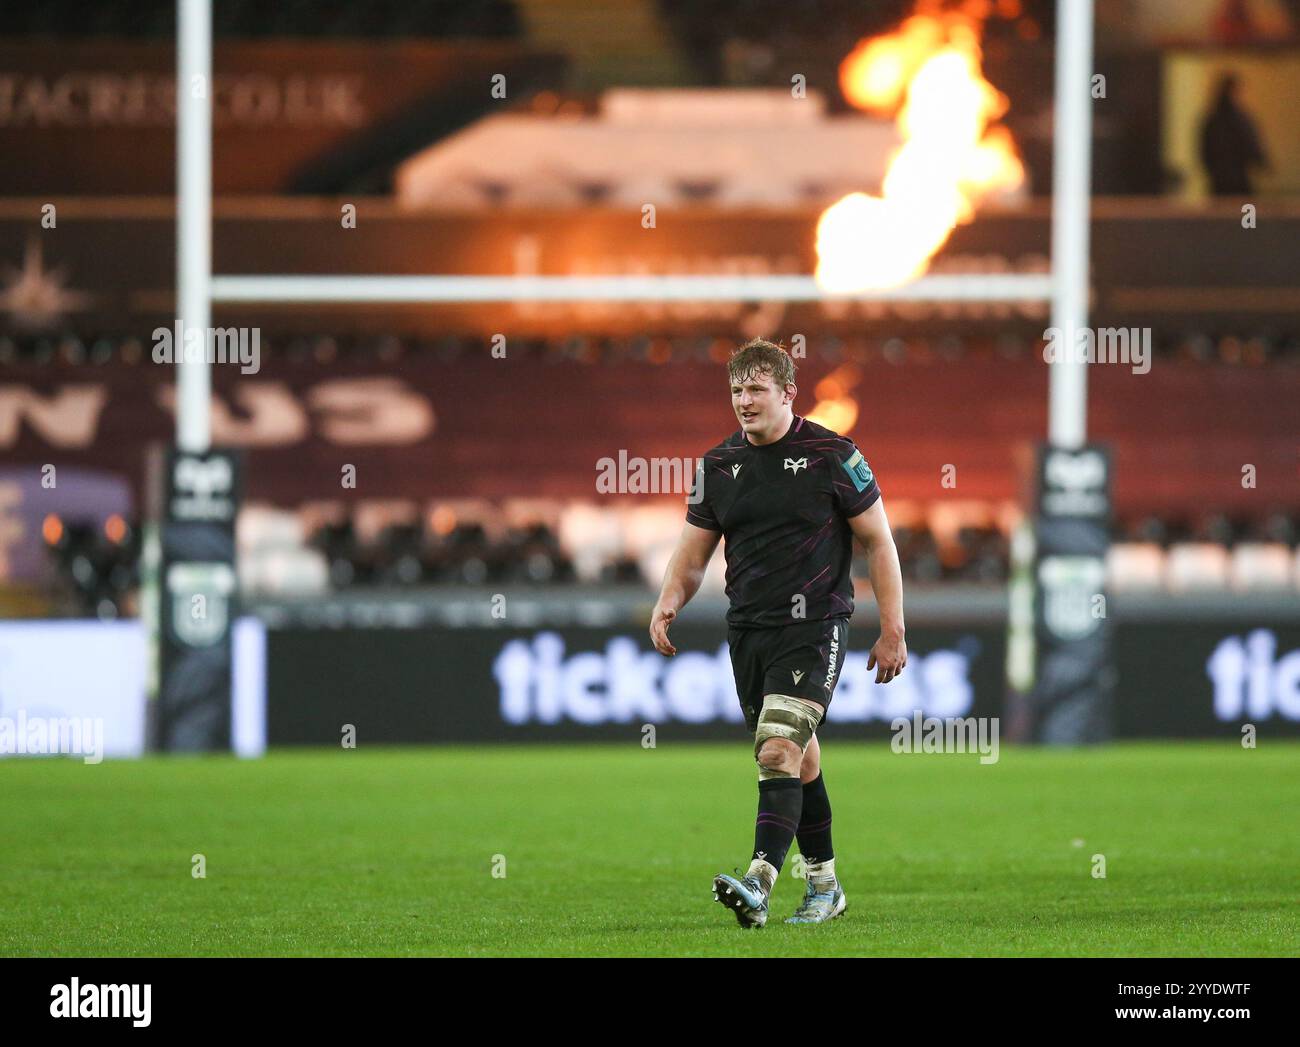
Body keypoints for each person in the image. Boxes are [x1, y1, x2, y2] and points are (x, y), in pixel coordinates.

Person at [649, 338, 907, 927]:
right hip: (749, 630)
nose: (745, 400)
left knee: (777, 749)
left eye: (757, 389)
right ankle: (825, 887)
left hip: (814, 626)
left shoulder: (833, 455)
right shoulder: (717, 466)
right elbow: (693, 554)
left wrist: (892, 627)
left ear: (789, 393)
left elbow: (878, 541)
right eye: (737, 390)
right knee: (799, 760)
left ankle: (759, 881)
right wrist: (668, 600)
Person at [1198, 73, 1269, 196]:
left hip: (1219, 179)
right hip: (1237, 178)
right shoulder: (1239, 119)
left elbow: (1204, 151)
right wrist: (1262, 162)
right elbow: (1250, 144)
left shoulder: (1213, 119)